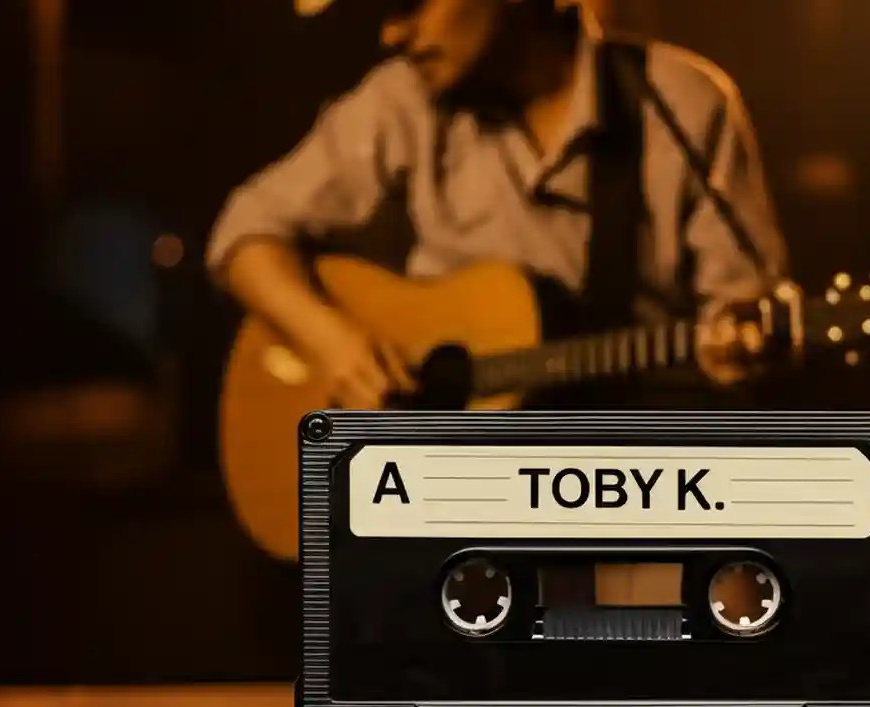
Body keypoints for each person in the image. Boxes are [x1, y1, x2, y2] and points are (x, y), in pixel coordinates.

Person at [205, 0, 789, 411]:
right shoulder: (401, 100)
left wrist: (743, 351)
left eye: (411, 3)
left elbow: (747, 312)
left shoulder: (680, 103)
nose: (391, 34)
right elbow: (244, 231)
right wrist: (335, 345)